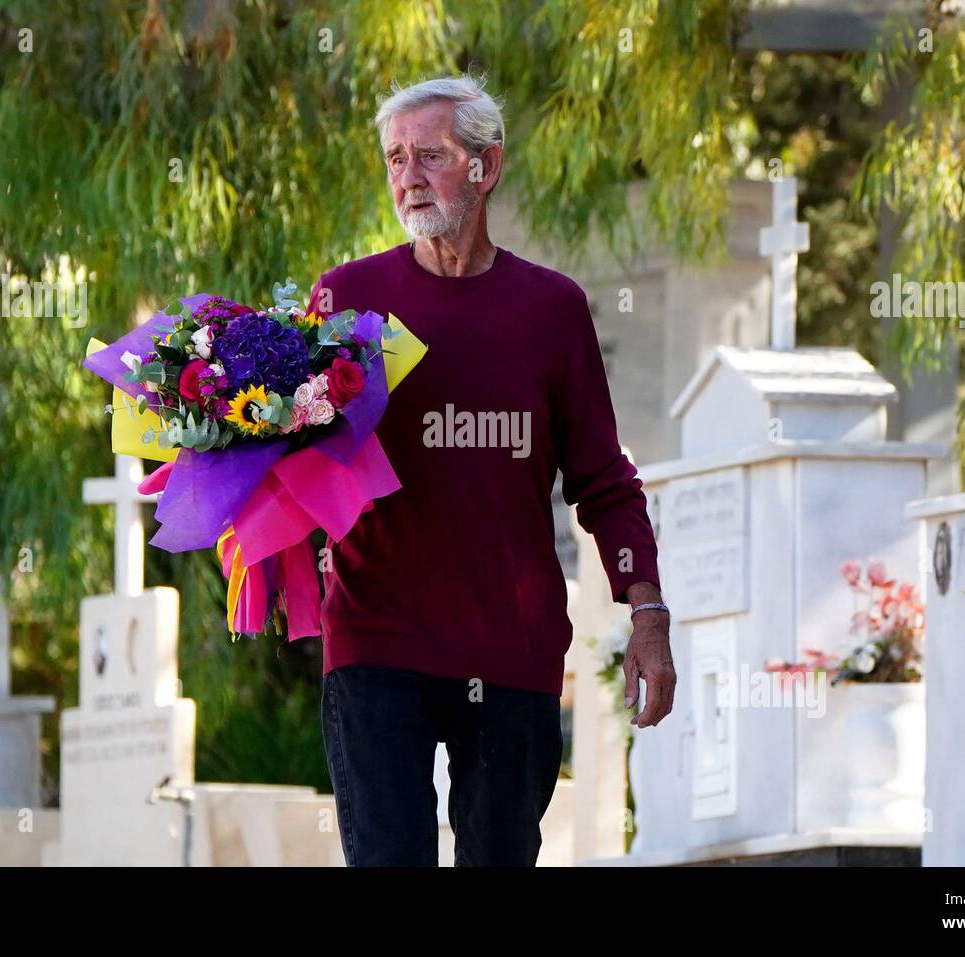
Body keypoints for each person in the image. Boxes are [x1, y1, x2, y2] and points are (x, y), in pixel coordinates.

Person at [310, 74, 674, 867]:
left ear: (486, 166)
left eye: (429, 156)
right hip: (376, 638)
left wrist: (647, 614)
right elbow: (299, 456)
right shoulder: (347, 298)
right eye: (394, 158)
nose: (406, 175)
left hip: (510, 645)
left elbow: (604, 481)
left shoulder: (552, 310)